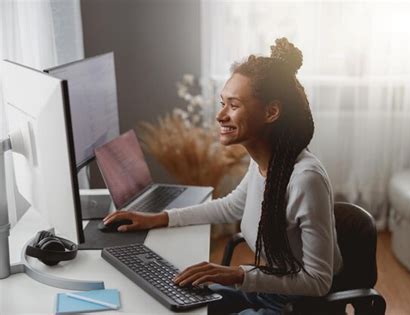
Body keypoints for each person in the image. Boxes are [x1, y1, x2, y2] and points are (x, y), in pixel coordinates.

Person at [103, 37, 343, 314]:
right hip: (268, 288)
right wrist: (159, 219)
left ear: (271, 112)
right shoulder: (265, 164)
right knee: (180, 299)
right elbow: (231, 206)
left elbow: (319, 281)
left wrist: (238, 274)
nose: (220, 116)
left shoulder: (305, 179)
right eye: (222, 103)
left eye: (234, 105)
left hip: (299, 304)